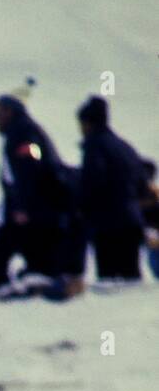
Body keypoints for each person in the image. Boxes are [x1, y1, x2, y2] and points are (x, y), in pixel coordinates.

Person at [0, 94, 70, 296]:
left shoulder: (24, 134)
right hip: (31, 212)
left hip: (33, 213)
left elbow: (31, 169)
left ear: (9, 111)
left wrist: (24, 207)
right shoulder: (20, 133)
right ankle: (15, 293)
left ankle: (20, 294)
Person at [76, 96, 146, 282]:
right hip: (131, 222)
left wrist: (82, 209)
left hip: (108, 225)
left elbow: (93, 182)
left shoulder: (94, 146)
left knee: (110, 285)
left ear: (88, 123)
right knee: (131, 282)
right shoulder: (124, 146)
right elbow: (142, 180)